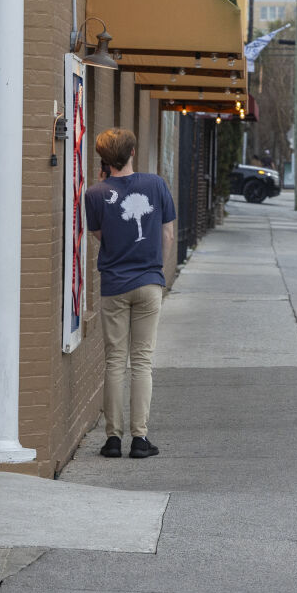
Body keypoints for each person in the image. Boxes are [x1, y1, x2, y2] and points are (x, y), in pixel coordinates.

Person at [84, 128, 176, 460]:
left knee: (114, 361)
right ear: (132, 153)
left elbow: (98, 235)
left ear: (104, 160)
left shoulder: (94, 194)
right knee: (142, 362)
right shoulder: (156, 185)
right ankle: (140, 439)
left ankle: (112, 439)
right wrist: (156, 270)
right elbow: (167, 232)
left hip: (114, 286)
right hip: (149, 282)